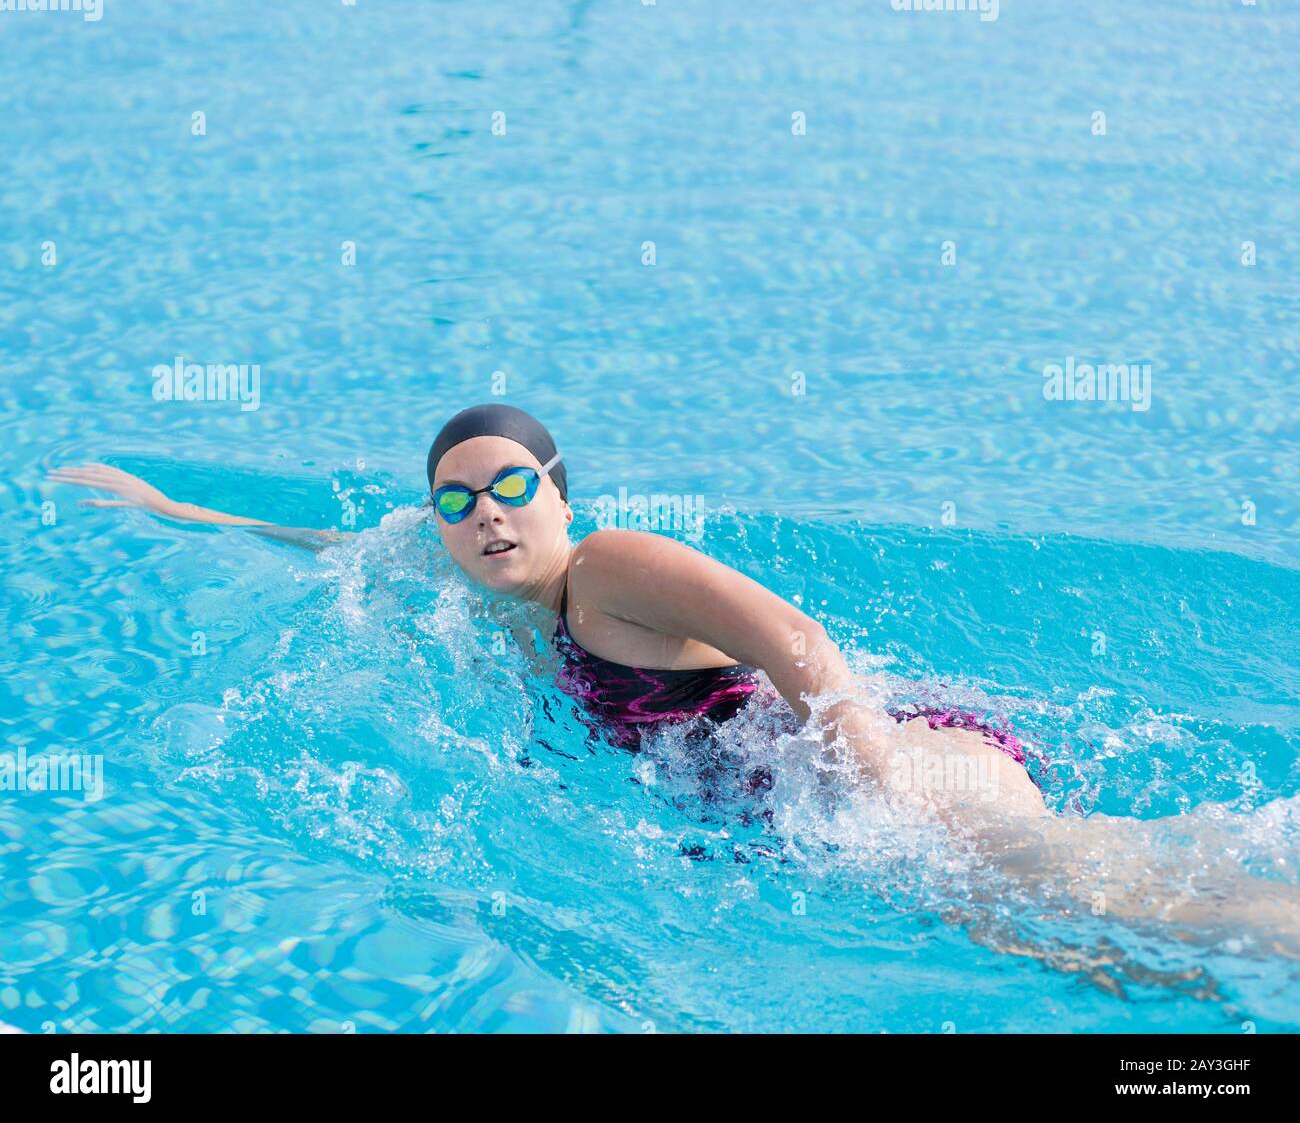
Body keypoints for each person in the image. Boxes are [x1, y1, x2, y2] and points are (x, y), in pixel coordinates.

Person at [48, 404, 1300, 958]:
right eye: (455, 499)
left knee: (1128, 894)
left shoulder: (611, 565)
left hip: (886, 778)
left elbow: (794, 639)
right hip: (803, 814)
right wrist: (176, 507)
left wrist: (872, 786)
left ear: (562, 495)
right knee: (1089, 950)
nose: (484, 513)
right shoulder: (467, 581)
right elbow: (333, 545)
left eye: (510, 487)